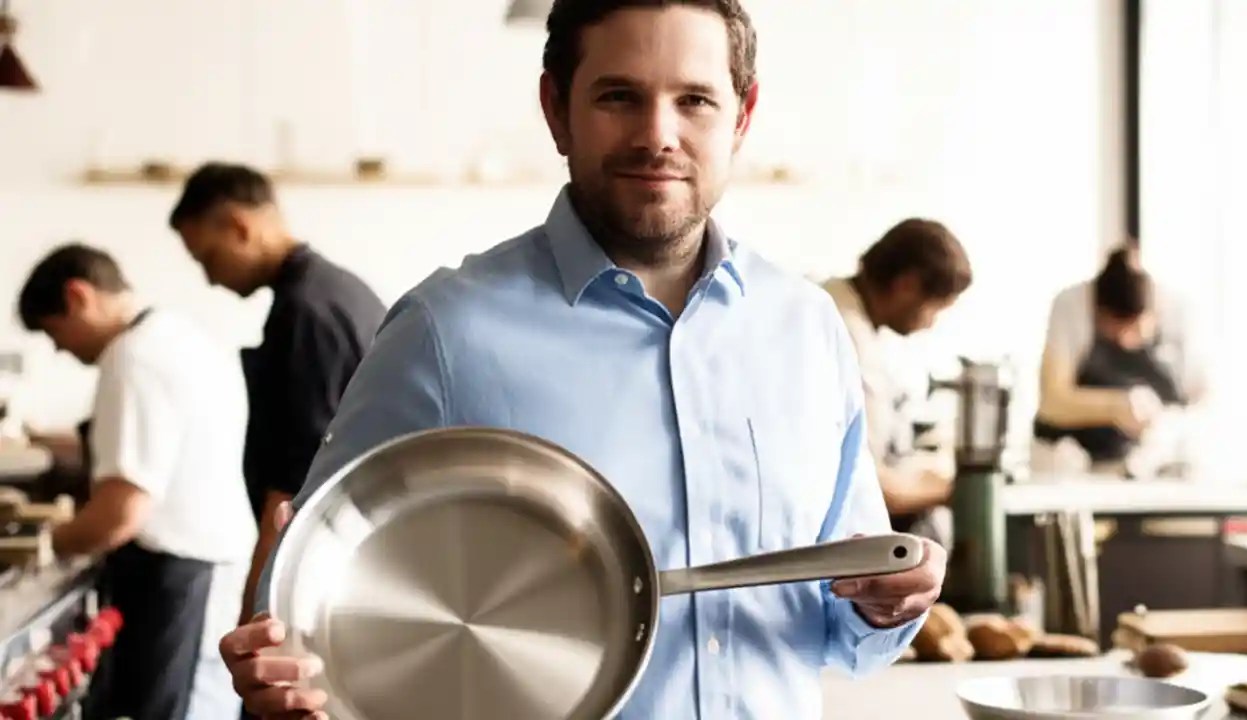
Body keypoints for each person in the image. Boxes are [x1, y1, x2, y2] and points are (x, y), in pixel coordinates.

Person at [220, 2, 946, 718]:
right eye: (618, 97)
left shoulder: (807, 329)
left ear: (742, 116)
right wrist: (278, 673)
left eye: (694, 100)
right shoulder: (446, 332)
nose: (657, 135)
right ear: (557, 109)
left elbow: (846, 621)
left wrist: (888, 603)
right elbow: (305, 604)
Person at [17, 243, 256, 720]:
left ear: (78, 296)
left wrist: (39, 547)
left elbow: (119, 513)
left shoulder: (133, 359)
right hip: (209, 569)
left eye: (54, 331)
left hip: (174, 581)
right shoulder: (177, 335)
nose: (60, 349)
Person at [167, 162, 387, 625]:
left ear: (238, 227)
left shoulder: (306, 312)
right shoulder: (338, 291)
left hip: (319, 570)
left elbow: (293, 489)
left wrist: (255, 610)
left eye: (207, 257)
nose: (209, 278)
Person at [820, 219, 972, 550]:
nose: (931, 324)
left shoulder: (831, 301)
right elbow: (868, 487)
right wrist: (955, 491)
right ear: (906, 285)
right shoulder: (848, 336)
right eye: (935, 308)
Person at [1033, 245, 1211, 475]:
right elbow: (1051, 402)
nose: (1125, 341)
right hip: (1076, 467)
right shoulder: (1071, 306)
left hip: (1152, 467)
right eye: (1115, 330)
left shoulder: (1180, 314)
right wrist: (1116, 406)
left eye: (1134, 329)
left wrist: (1165, 425)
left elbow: (1204, 403)